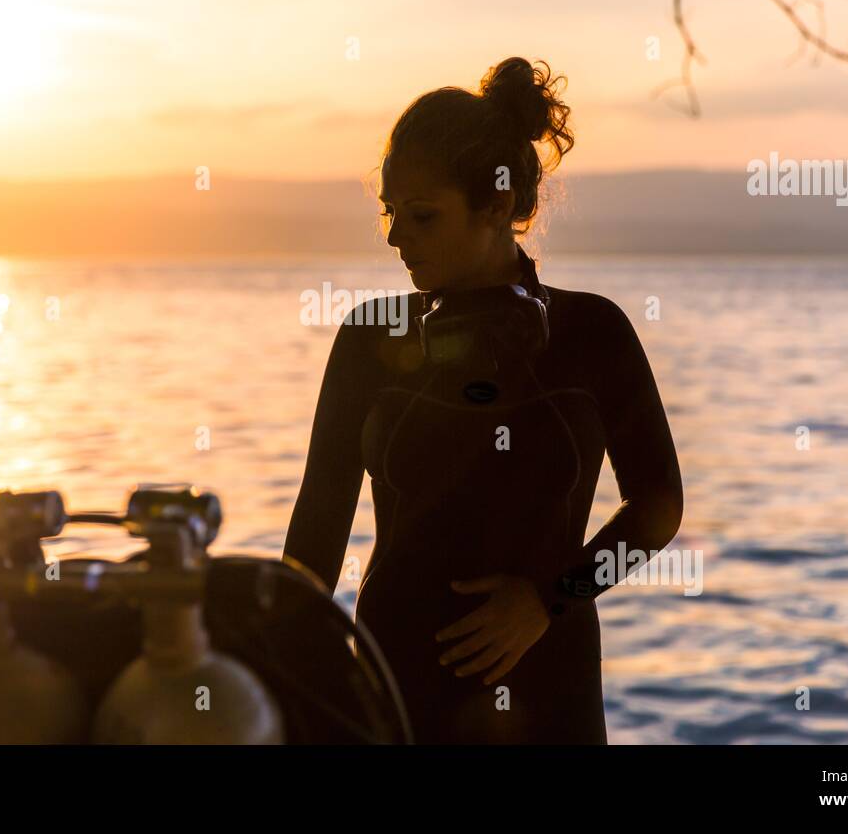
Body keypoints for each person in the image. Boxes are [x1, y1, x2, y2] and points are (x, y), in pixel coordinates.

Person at [283, 57, 684, 743]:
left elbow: (658, 510)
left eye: (422, 214)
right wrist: (283, 679)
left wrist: (549, 600)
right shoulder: (369, 338)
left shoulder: (591, 331)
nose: (394, 236)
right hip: (396, 694)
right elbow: (316, 538)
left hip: (550, 693)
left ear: (497, 205)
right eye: (389, 212)